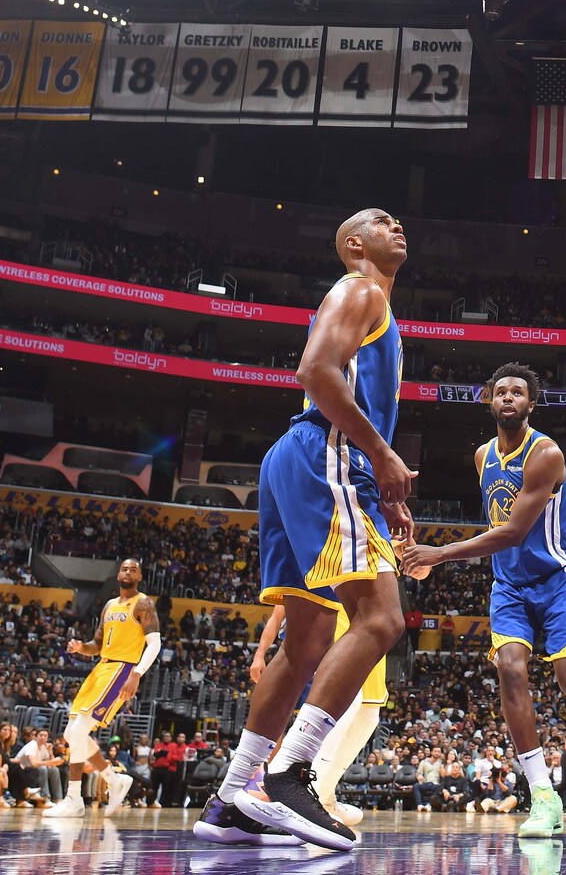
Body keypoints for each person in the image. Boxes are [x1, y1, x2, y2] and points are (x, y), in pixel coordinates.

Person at [211, 209, 414, 852]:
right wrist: (381, 455)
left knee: (307, 641)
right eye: (382, 221)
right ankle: (293, 773)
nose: (397, 224)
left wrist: (381, 483)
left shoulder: (372, 301)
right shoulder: (361, 288)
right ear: (354, 244)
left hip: (301, 457)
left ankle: (234, 795)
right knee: (382, 621)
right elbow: (316, 372)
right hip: (325, 452)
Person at [399, 361, 566, 840]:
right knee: (511, 669)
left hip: (557, 578)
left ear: (531, 404)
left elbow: (515, 530)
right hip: (510, 585)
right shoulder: (481, 456)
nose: (508, 398)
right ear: (489, 400)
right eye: (501, 392)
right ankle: (543, 796)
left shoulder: (546, 454)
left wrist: (440, 553)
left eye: (518, 392)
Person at [247, 598, 388, 827]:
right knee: (345, 700)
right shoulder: (309, 572)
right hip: (332, 628)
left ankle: (325, 795)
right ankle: (290, 794)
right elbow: (276, 617)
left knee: (369, 715)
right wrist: (260, 654)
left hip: (370, 620)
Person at [47, 557, 159, 819]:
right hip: (101, 668)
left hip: (123, 669)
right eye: (124, 568)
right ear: (118, 574)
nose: (128, 572)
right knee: (70, 733)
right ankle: (113, 780)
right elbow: (96, 644)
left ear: (139, 576)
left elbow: (154, 643)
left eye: (133, 569)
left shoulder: (143, 602)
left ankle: (75, 799)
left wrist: (137, 673)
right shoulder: (109, 605)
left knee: (77, 731)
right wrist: (80, 648)